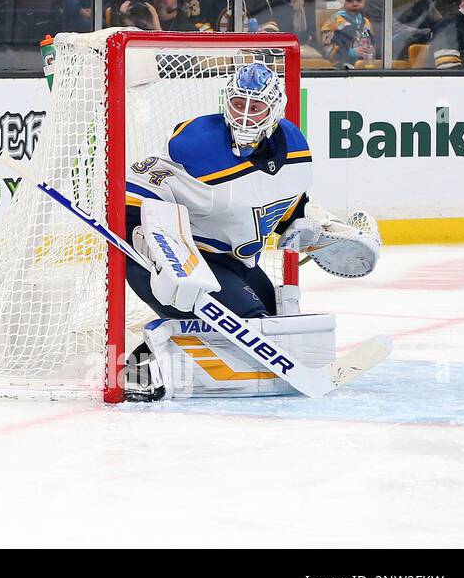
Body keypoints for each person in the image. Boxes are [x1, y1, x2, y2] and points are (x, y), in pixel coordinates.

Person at [121, 60, 379, 400]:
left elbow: (284, 203)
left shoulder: (294, 148)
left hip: (234, 262)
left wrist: (307, 225)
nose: (244, 115)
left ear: (274, 109)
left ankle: (186, 358)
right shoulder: (198, 145)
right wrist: (160, 253)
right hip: (172, 266)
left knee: (272, 321)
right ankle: (141, 361)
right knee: (248, 323)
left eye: (255, 106)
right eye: (237, 104)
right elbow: (132, 195)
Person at [322, 0, 379, 67]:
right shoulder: (333, 22)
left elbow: (373, 43)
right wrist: (349, 53)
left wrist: (372, 50)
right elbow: (326, 48)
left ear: (364, 1)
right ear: (342, 0)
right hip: (340, 66)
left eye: (359, 0)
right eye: (350, 0)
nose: (355, 3)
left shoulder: (367, 23)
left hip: (364, 64)